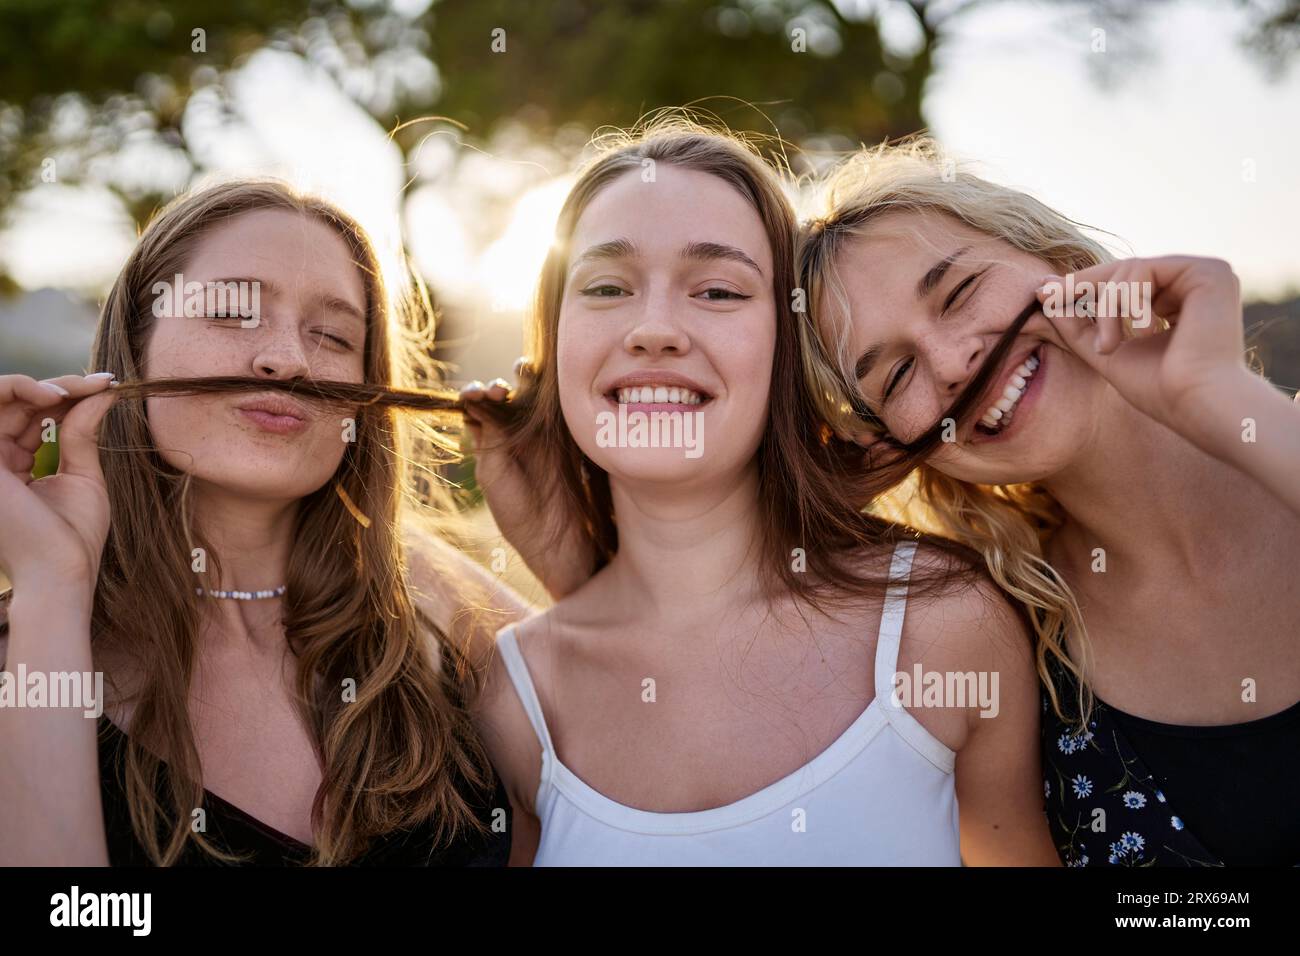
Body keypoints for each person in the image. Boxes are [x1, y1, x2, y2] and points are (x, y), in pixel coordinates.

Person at [463, 120, 1058, 865]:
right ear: (552, 348)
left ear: (791, 352)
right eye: (607, 287)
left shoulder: (939, 621)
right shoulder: (513, 698)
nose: (653, 330)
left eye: (717, 290)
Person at [795, 138, 1300, 866]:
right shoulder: (1006, 648)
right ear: (899, 445)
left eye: (960, 291)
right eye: (897, 374)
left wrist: (1218, 398)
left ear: (1055, 259)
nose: (950, 362)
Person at [0, 180, 528, 866]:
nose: (288, 359)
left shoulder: (450, 633)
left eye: (333, 335)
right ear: (135, 346)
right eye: (231, 311)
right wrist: (53, 583)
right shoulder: (28, 645)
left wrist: (561, 554)